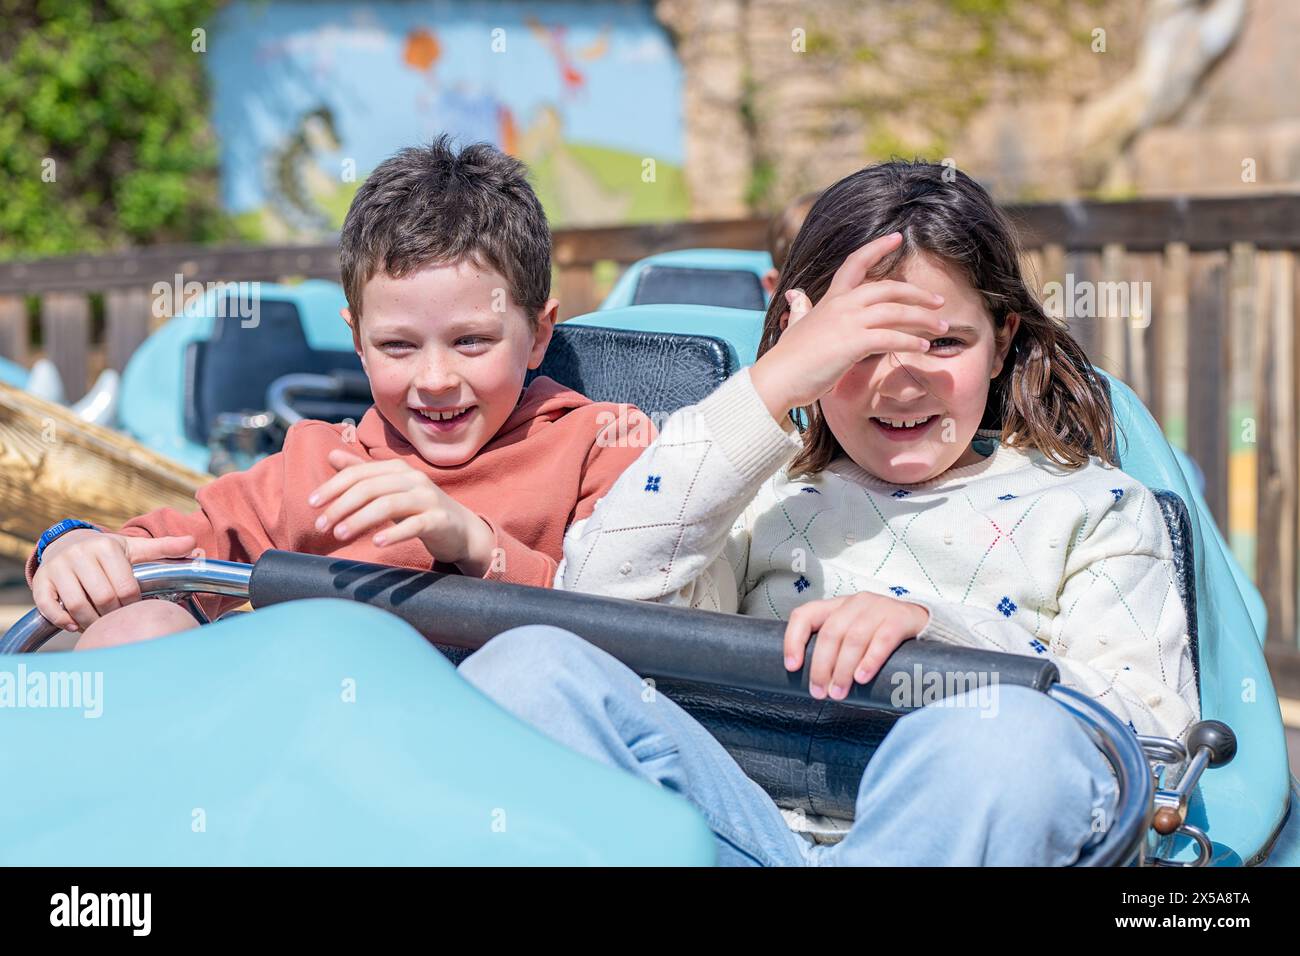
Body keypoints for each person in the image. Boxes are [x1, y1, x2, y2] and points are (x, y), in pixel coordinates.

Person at [458, 160, 1200, 866]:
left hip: (959, 828)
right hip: (743, 828)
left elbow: (1154, 733)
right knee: (527, 666)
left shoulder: (1092, 505)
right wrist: (772, 384)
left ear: (1002, 342)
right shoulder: (753, 492)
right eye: (860, 347)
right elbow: (597, 600)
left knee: (1010, 740)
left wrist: (944, 644)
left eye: (943, 342)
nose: (901, 382)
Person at [27, 136, 652, 648]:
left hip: (520, 752)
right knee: (136, 623)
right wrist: (75, 546)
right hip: (322, 752)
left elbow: (625, 630)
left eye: (471, 342)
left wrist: (473, 542)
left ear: (539, 334)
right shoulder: (319, 464)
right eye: (398, 347)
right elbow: (168, 547)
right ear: (357, 340)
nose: (434, 380)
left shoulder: (600, 445)